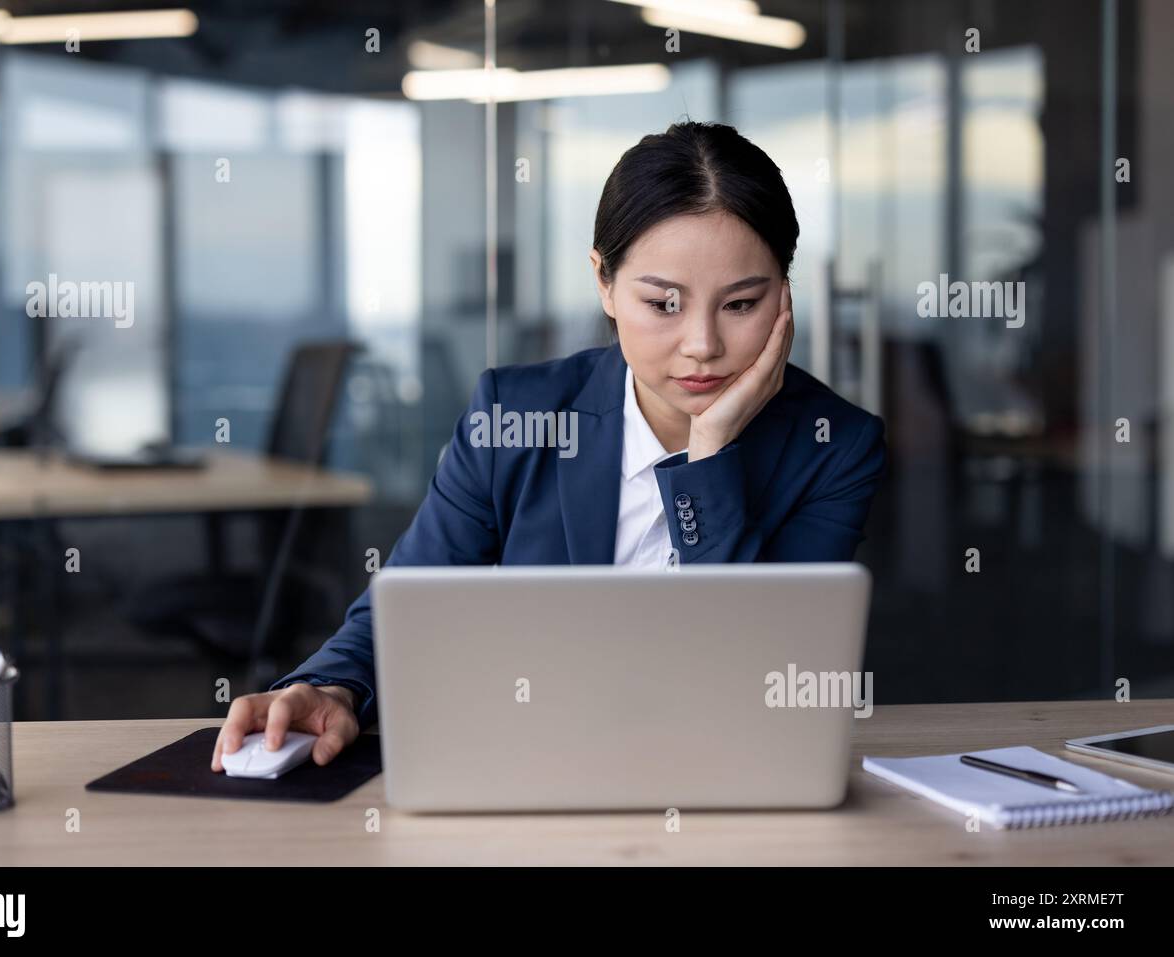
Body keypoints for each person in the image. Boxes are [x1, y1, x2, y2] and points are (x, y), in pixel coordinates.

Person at [211, 120, 887, 771]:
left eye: (740, 304)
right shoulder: (516, 415)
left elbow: (765, 683)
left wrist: (709, 455)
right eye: (663, 303)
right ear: (605, 283)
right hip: (533, 768)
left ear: (784, 299)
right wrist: (331, 686)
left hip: (731, 783)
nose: (703, 344)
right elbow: (414, 599)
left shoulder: (836, 446)